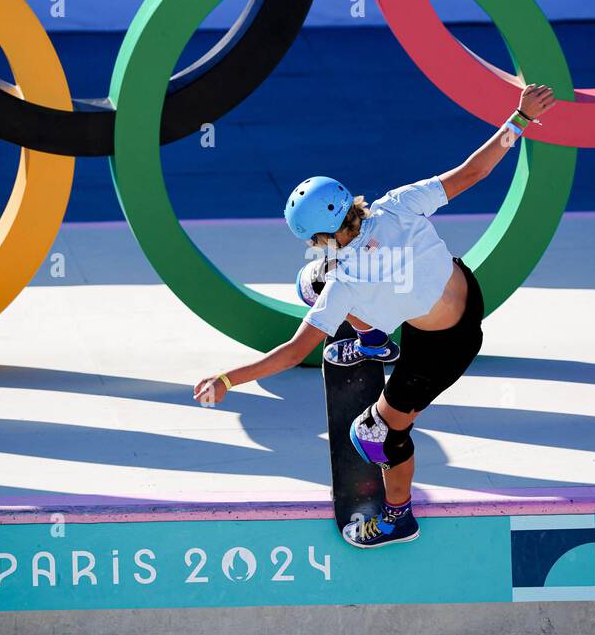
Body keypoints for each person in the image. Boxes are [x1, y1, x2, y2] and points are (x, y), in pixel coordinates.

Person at [194, 83, 557, 547]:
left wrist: (227, 379)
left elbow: (292, 354)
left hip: (442, 351)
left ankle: (397, 518)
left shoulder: (347, 284)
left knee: (374, 434)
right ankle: (373, 342)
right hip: (465, 288)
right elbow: (473, 173)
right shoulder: (396, 205)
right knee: (314, 282)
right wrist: (520, 118)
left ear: (321, 234)